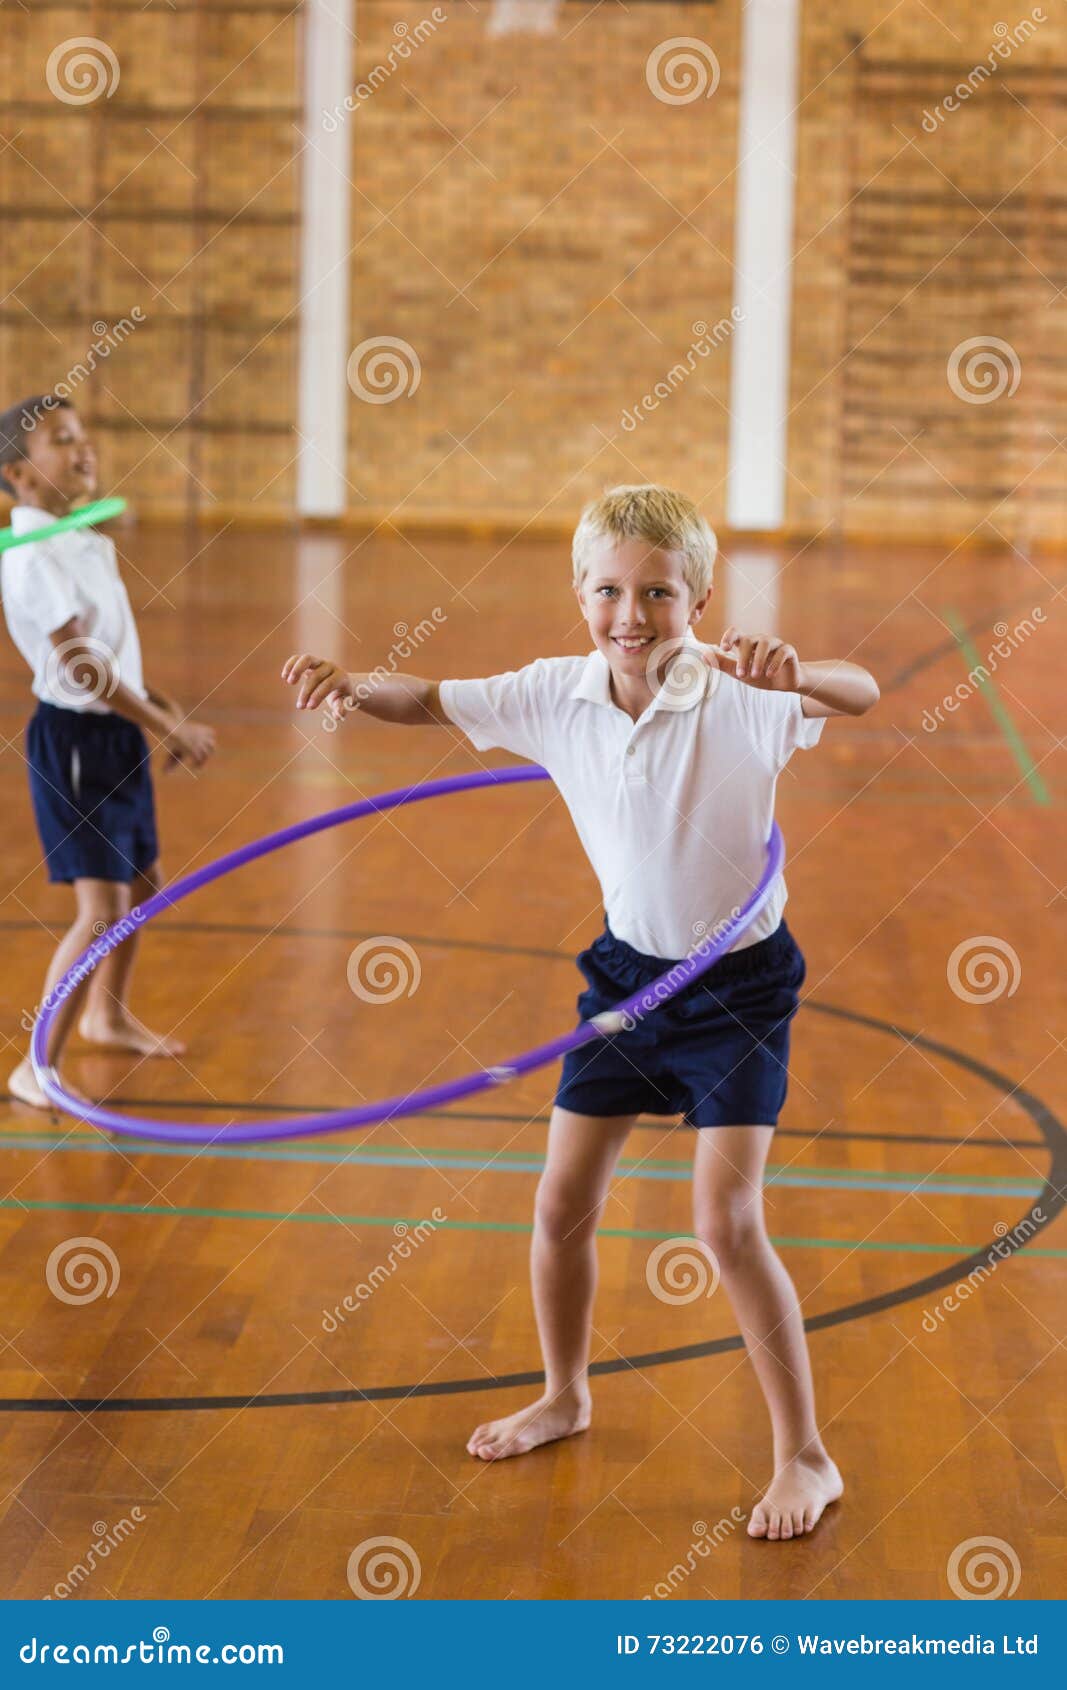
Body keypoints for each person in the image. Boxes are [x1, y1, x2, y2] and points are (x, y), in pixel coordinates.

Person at [281, 483, 879, 1542]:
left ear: (695, 596)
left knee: (724, 1224)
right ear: (579, 592)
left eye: (657, 592)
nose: (631, 615)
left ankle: (805, 1455)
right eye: (608, 590)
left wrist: (800, 673)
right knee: (558, 1203)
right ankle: (564, 1392)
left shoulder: (737, 691)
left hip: (735, 990)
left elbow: (862, 691)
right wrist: (346, 684)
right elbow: (423, 698)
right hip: (622, 982)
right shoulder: (553, 693)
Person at [0, 395, 216, 1108]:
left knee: (143, 884)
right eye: (61, 441)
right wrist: (165, 724)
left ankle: (106, 1014)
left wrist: (158, 704)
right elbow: (82, 669)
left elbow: (110, 650)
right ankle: (37, 1065)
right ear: (20, 478)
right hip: (76, 744)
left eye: (82, 437)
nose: (82, 449)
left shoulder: (81, 538)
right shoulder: (30, 556)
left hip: (117, 731)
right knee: (100, 908)